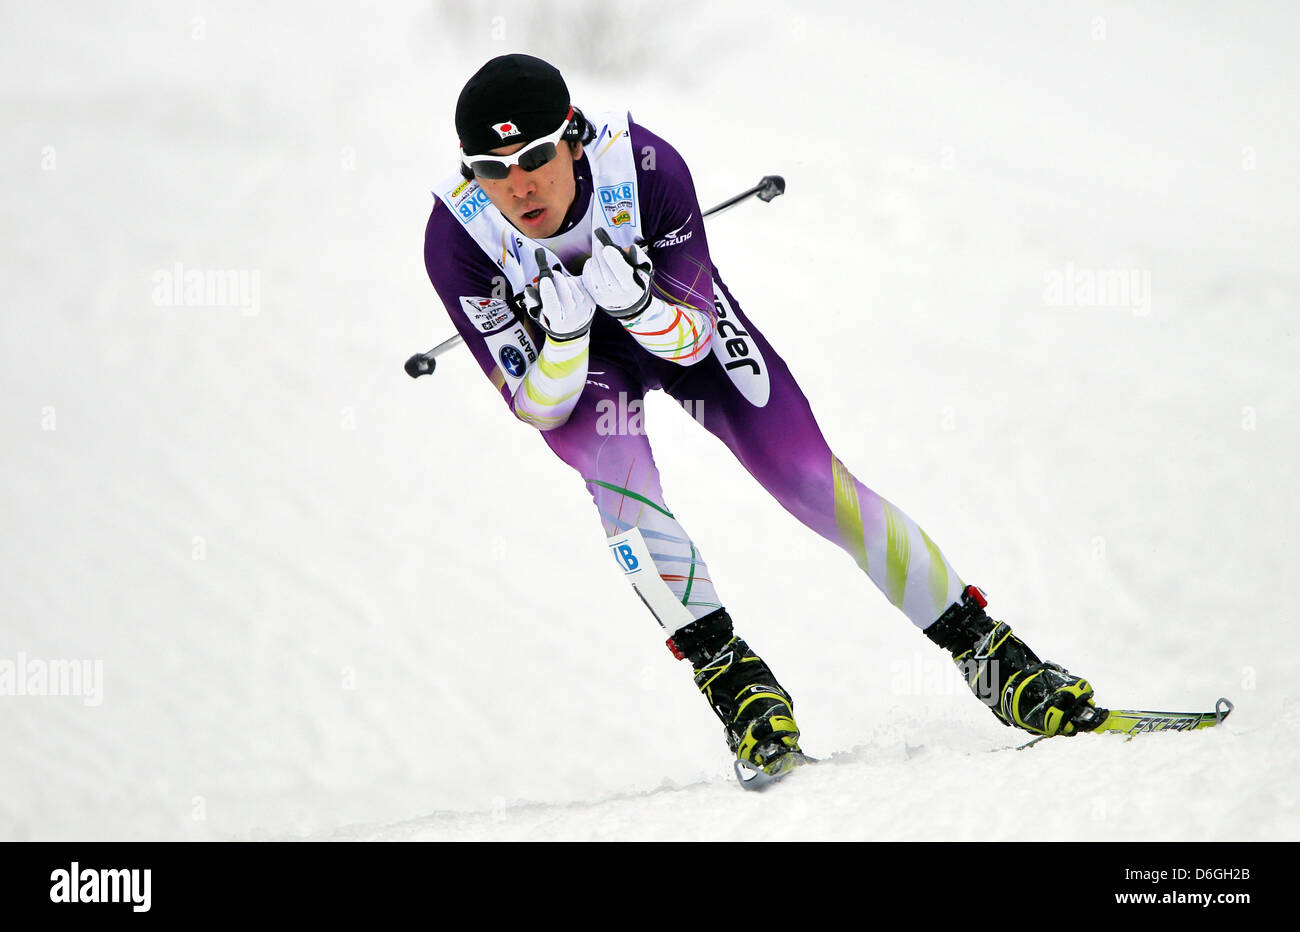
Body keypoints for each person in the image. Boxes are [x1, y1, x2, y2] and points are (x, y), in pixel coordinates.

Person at [423, 54, 1097, 783]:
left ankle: (996, 660)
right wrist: (561, 339)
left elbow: (696, 338)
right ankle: (740, 693)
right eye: (491, 169)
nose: (518, 185)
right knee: (622, 494)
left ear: (573, 139)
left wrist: (636, 304)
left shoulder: (643, 168)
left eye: (534, 156)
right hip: (583, 368)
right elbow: (538, 406)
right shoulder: (456, 239)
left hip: (675, 329)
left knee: (812, 481)